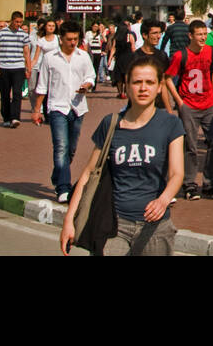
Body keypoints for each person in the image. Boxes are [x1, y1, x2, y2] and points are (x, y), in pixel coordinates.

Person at [60, 54, 184, 257]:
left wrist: (163, 200)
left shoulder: (170, 124)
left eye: (149, 82)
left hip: (155, 227)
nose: (143, 88)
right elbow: (87, 175)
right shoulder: (111, 124)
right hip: (114, 224)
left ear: (159, 87)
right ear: (126, 85)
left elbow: (177, 173)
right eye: (137, 82)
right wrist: (69, 221)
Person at [32, 21, 96, 203]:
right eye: (69, 39)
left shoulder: (83, 56)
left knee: (71, 149)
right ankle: (63, 187)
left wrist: (87, 85)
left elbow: (90, 76)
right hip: (57, 108)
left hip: (78, 107)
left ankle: (57, 174)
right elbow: (42, 86)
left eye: (76, 39)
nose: (73, 42)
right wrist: (37, 110)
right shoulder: (50, 58)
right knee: (61, 147)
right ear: (61, 39)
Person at [165, 21, 213, 200]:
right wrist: (179, 102)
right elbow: (168, 79)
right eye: (199, 34)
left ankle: (210, 183)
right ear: (190, 36)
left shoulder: (212, 53)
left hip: (209, 104)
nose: (203, 38)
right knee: (190, 145)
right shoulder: (180, 55)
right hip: (189, 105)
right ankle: (189, 184)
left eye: (204, 34)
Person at [0, 12, 33, 128]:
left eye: (20, 22)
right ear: (11, 20)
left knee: (17, 93)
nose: (18, 24)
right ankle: (6, 117)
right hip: (4, 68)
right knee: (5, 94)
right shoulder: (0, 34)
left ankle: (15, 117)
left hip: (18, 67)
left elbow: (26, 52)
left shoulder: (23, 35)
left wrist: (28, 68)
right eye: (16, 22)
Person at [26, 19, 59, 106]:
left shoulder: (58, 38)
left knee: (55, 89)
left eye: (53, 26)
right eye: (49, 26)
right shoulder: (41, 41)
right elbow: (35, 57)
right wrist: (29, 68)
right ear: (45, 27)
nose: (51, 28)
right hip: (44, 67)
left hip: (57, 66)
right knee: (41, 89)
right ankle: (40, 108)